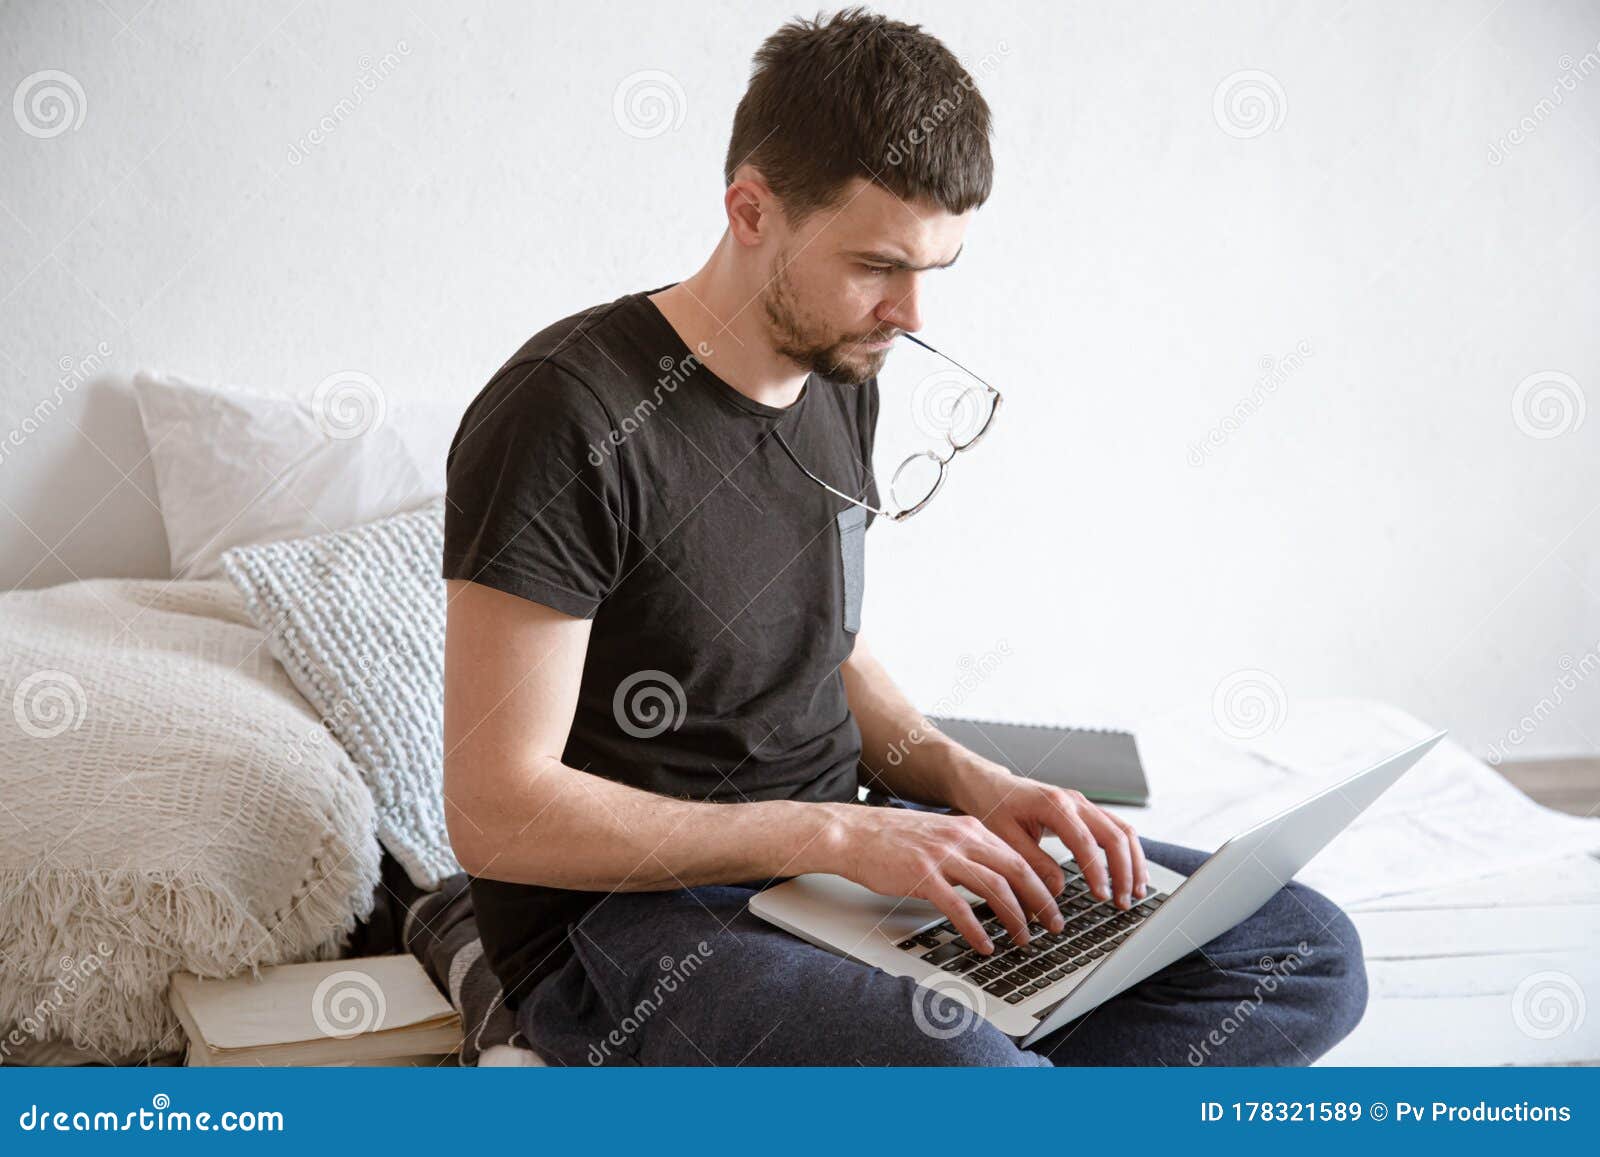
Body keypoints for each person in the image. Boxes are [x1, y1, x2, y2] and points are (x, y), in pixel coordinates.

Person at [440, 7, 1368, 1066]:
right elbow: (497, 812)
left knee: (1302, 948)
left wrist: (961, 777)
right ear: (751, 209)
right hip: (633, 921)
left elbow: (825, 643)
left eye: (934, 268)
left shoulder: (840, 368)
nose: (912, 312)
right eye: (879, 263)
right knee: (962, 1068)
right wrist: (836, 834)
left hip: (843, 870)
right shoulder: (564, 415)